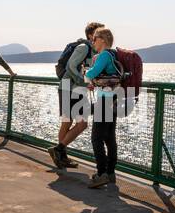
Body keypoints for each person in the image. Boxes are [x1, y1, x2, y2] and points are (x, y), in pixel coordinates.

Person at [49, 21, 104, 169]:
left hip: (72, 88)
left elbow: (85, 70)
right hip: (70, 87)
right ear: (91, 35)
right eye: (100, 33)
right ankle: (59, 150)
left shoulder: (95, 51)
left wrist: (90, 82)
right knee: (82, 124)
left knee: (67, 123)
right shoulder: (83, 47)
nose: (103, 36)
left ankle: (60, 157)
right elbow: (70, 66)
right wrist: (84, 82)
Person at [82, 27, 121, 188]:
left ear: (103, 39)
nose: (92, 42)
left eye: (95, 39)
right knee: (109, 137)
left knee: (96, 138)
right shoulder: (113, 55)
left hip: (103, 101)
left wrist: (87, 72)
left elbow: (91, 74)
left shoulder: (104, 55)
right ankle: (110, 173)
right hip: (113, 100)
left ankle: (101, 173)